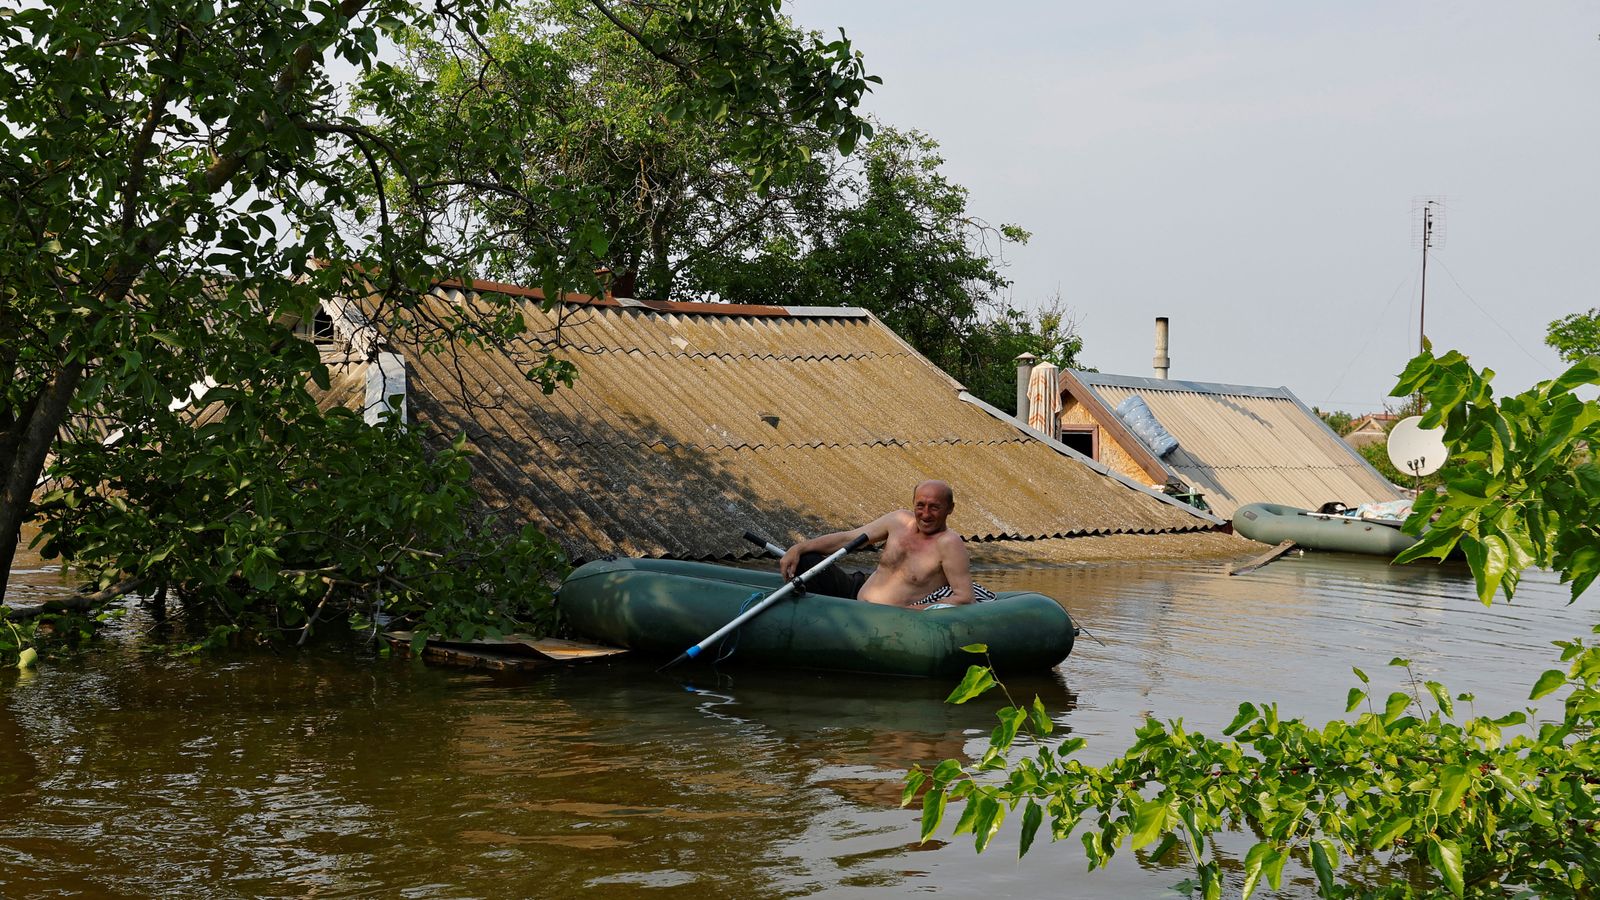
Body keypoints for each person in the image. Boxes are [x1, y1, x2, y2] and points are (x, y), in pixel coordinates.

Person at [778, 480, 996, 609]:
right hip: (856, 594)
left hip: (890, 618)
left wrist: (915, 611)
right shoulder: (898, 520)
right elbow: (848, 538)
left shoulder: (949, 544)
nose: (926, 514)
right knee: (807, 561)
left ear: (950, 509)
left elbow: (964, 597)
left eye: (934, 507)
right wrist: (799, 547)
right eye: (920, 505)